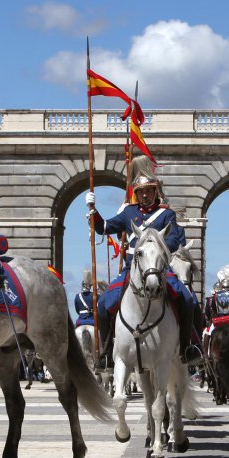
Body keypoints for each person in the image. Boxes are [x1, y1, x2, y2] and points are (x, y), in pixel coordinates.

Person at [86, 155, 202, 364]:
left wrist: (157, 251)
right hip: (132, 269)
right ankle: (106, 352)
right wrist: (94, 213)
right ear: (136, 194)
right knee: (103, 304)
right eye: (141, 192)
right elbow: (104, 228)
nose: (145, 195)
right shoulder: (128, 213)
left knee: (187, 300)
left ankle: (187, 348)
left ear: (155, 192)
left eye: (148, 191)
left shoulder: (166, 215)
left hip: (159, 269)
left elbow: (175, 239)